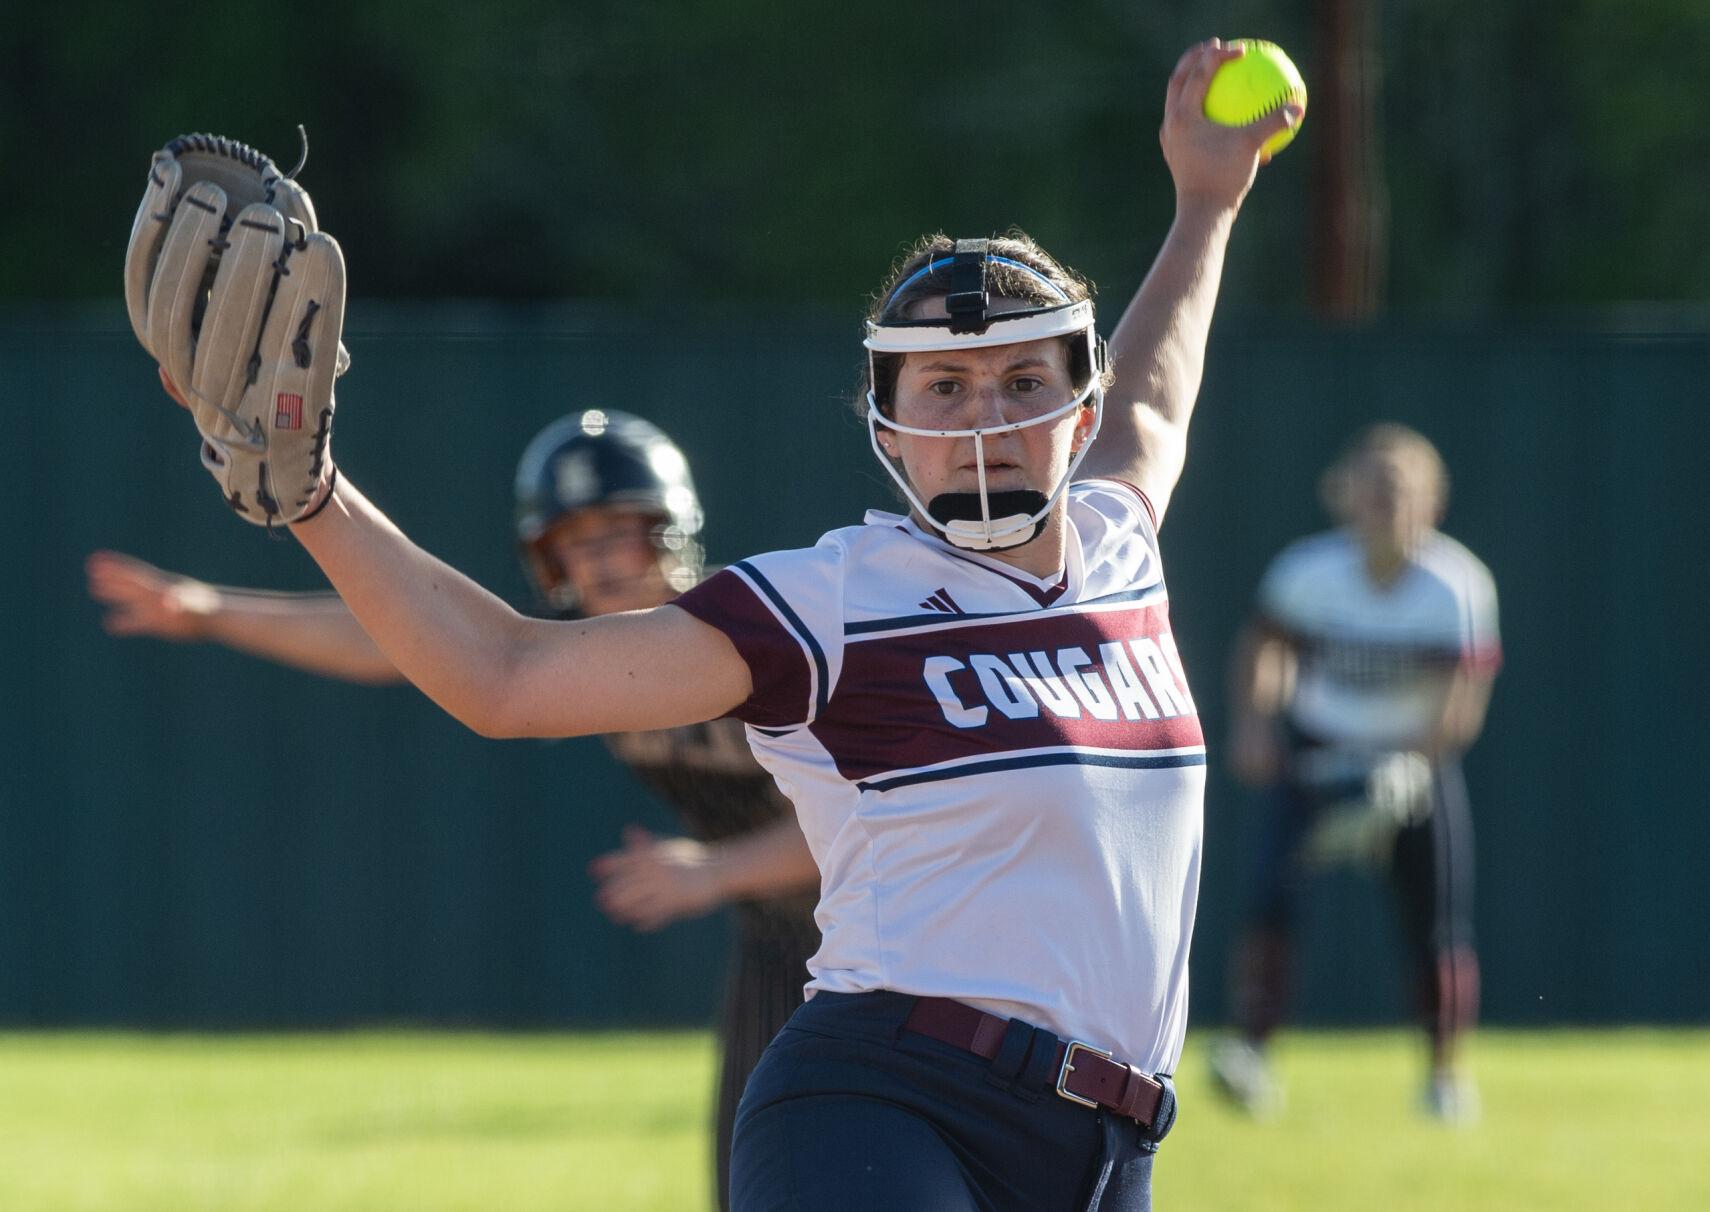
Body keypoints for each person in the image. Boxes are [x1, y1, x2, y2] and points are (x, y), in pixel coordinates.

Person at [147, 40, 1292, 1210]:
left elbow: (1157, 391)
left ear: (1077, 405)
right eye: (943, 389)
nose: (986, 417)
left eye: (1021, 380)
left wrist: (1206, 201)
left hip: (1109, 1147)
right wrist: (314, 494)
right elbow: (508, 676)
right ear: (888, 430)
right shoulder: (834, 600)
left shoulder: (1116, 545)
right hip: (891, 1104)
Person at [89, 409, 821, 1211]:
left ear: (669, 529)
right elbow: (404, 641)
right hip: (775, 943)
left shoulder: (745, 638)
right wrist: (212, 612)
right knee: (748, 1179)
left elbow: (869, 816)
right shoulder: (597, 649)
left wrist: (717, 870)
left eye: (619, 531)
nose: (599, 558)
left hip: (878, 939)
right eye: (574, 539)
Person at [1211, 423, 1501, 1126]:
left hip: (1412, 765)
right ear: (1341, 497)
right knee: (1271, 906)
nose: (1382, 506)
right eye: (1369, 490)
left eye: (1398, 492)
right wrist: (1254, 726)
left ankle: (1444, 1077)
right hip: (1319, 754)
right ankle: (1249, 1052)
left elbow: (1460, 709)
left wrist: (1405, 772)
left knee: (1435, 924)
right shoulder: (1308, 571)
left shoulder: (1454, 584)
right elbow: (1264, 649)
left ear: (1432, 502)